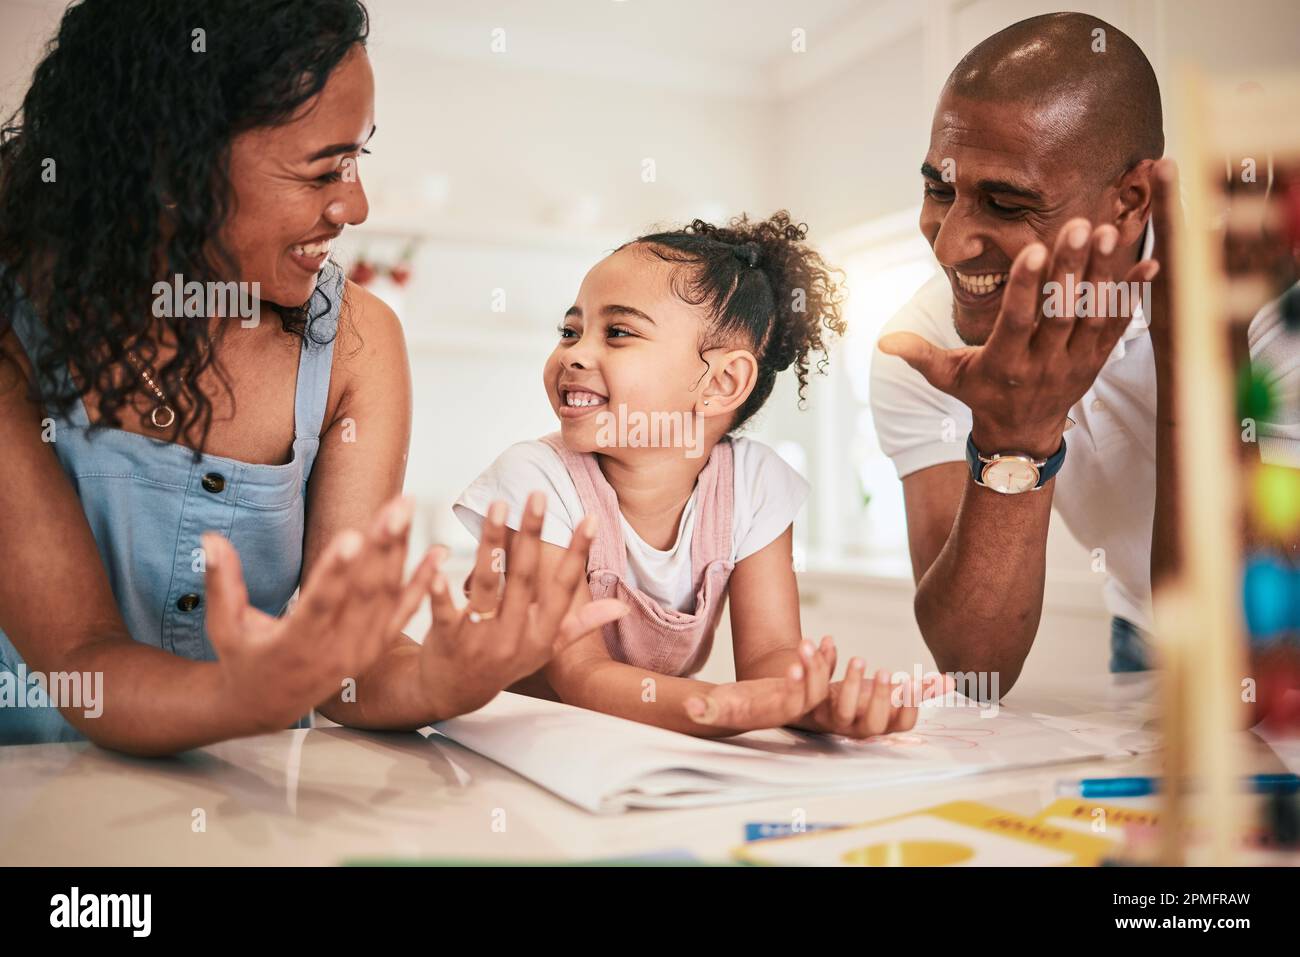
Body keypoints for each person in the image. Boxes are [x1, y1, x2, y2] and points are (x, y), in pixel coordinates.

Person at [0, 0, 625, 752]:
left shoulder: (359, 342)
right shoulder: (14, 328)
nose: (355, 205)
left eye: (358, 159)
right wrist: (251, 690)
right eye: (324, 168)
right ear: (171, 167)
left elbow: (349, 670)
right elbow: (81, 659)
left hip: (256, 812)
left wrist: (444, 675)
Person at [870, 12, 1299, 692]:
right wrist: (1015, 440)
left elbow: (1243, 657)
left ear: (1131, 201)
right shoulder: (925, 344)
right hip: (1141, 632)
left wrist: (1199, 357)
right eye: (939, 190)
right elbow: (975, 668)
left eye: (1006, 203)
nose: (949, 245)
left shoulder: (1271, 315)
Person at [456, 212, 951, 737]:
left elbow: (770, 657)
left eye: (618, 332)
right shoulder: (537, 479)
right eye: (570, 331)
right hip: (519, 743)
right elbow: (582, 676)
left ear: (722, 382)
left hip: (637, 744)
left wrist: (812, 704)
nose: (574, 354)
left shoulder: (754, 486)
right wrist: (724, 707)